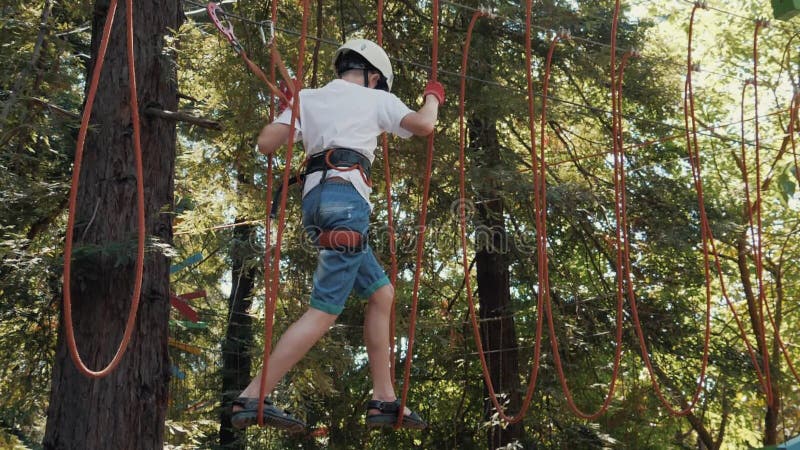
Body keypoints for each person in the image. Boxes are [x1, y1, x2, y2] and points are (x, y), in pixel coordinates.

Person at [230, 38, 444, 432]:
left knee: (382, 293)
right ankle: (253, 395)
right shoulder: (376, 99)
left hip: (315, 204)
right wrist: (433, 96)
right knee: (324, 311)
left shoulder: (309, 98)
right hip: (346, 201)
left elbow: (266, 144)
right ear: (374, 76)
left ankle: (384, 397)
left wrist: (295, 111)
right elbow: (424, 124)